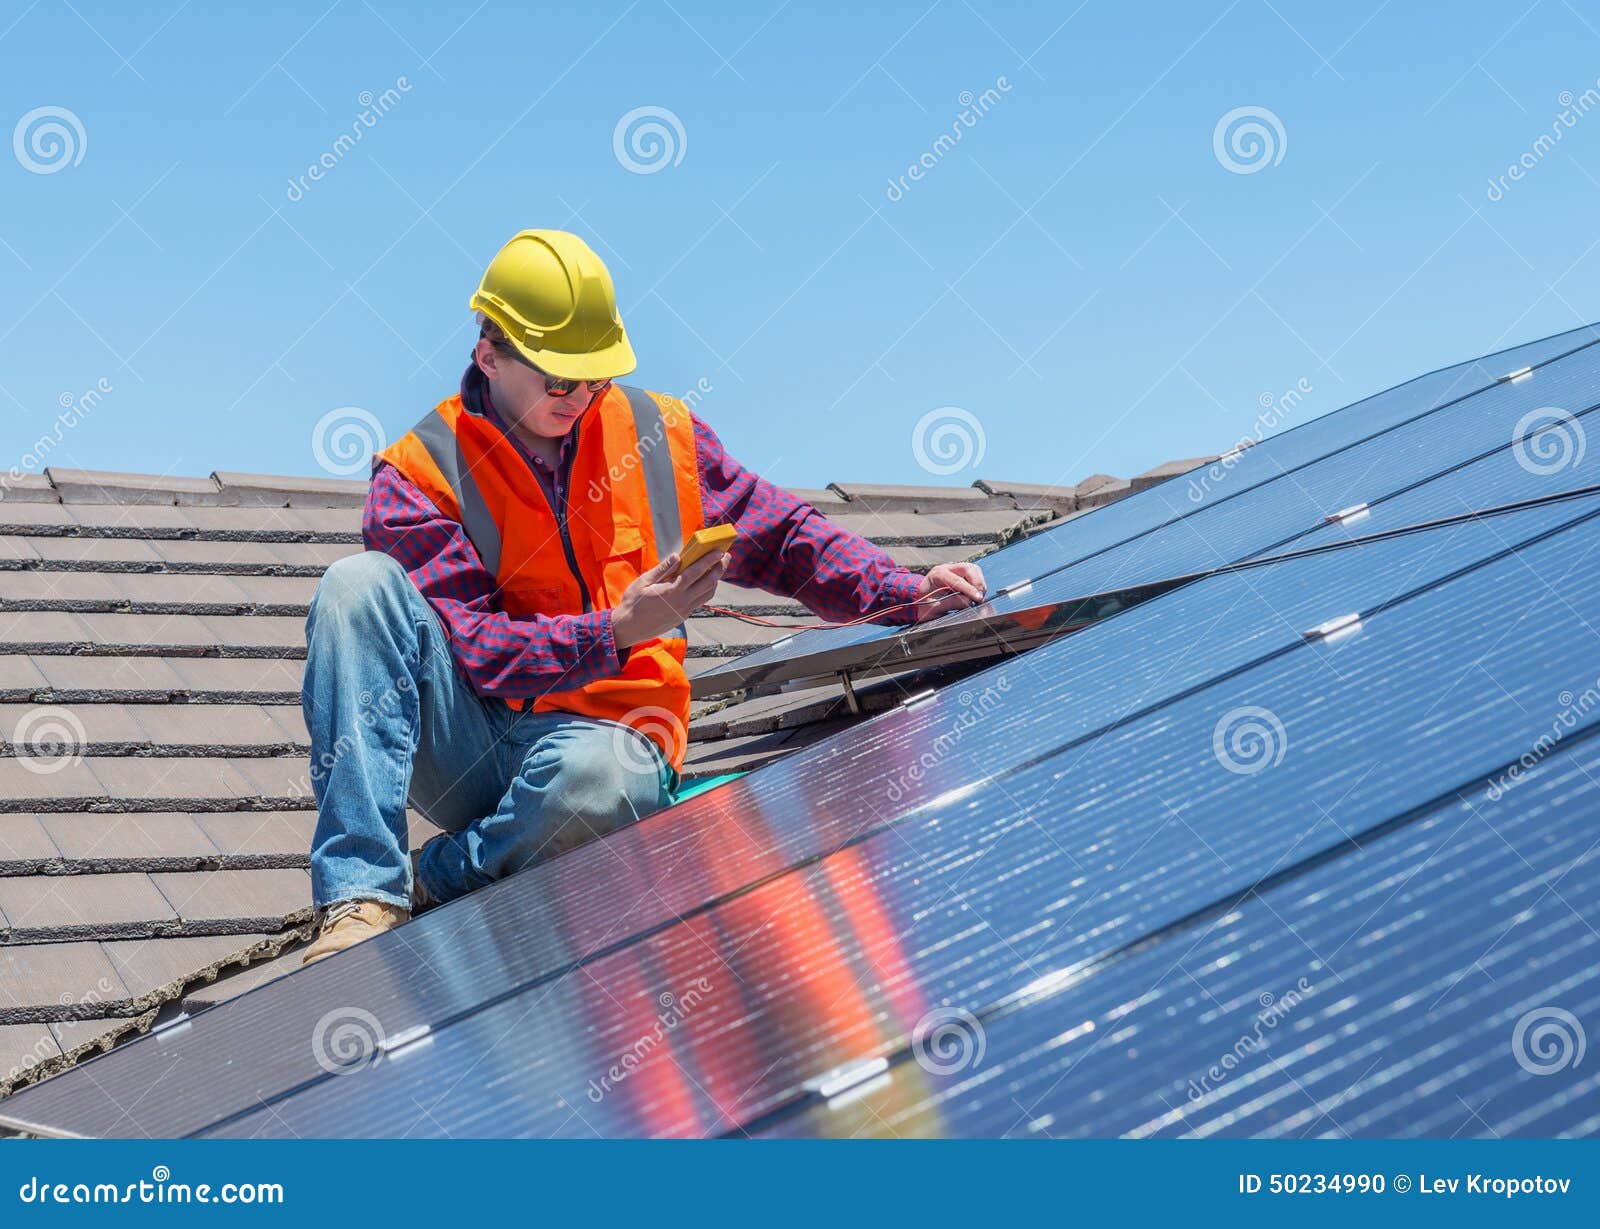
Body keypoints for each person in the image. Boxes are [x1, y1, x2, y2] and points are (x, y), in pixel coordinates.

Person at [300, 228, 986, 965]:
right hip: (477, 744)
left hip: (609, 754)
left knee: (600, 786)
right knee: (354, 587)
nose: (580, 397)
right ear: (489, 354)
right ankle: (363, 895)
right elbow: (478, 649)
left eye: (593, 378)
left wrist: (903, 592)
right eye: (559, 380)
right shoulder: (421, 474)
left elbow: (784, 536)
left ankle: (439, 873)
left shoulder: (656, 435)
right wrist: (618, 629)